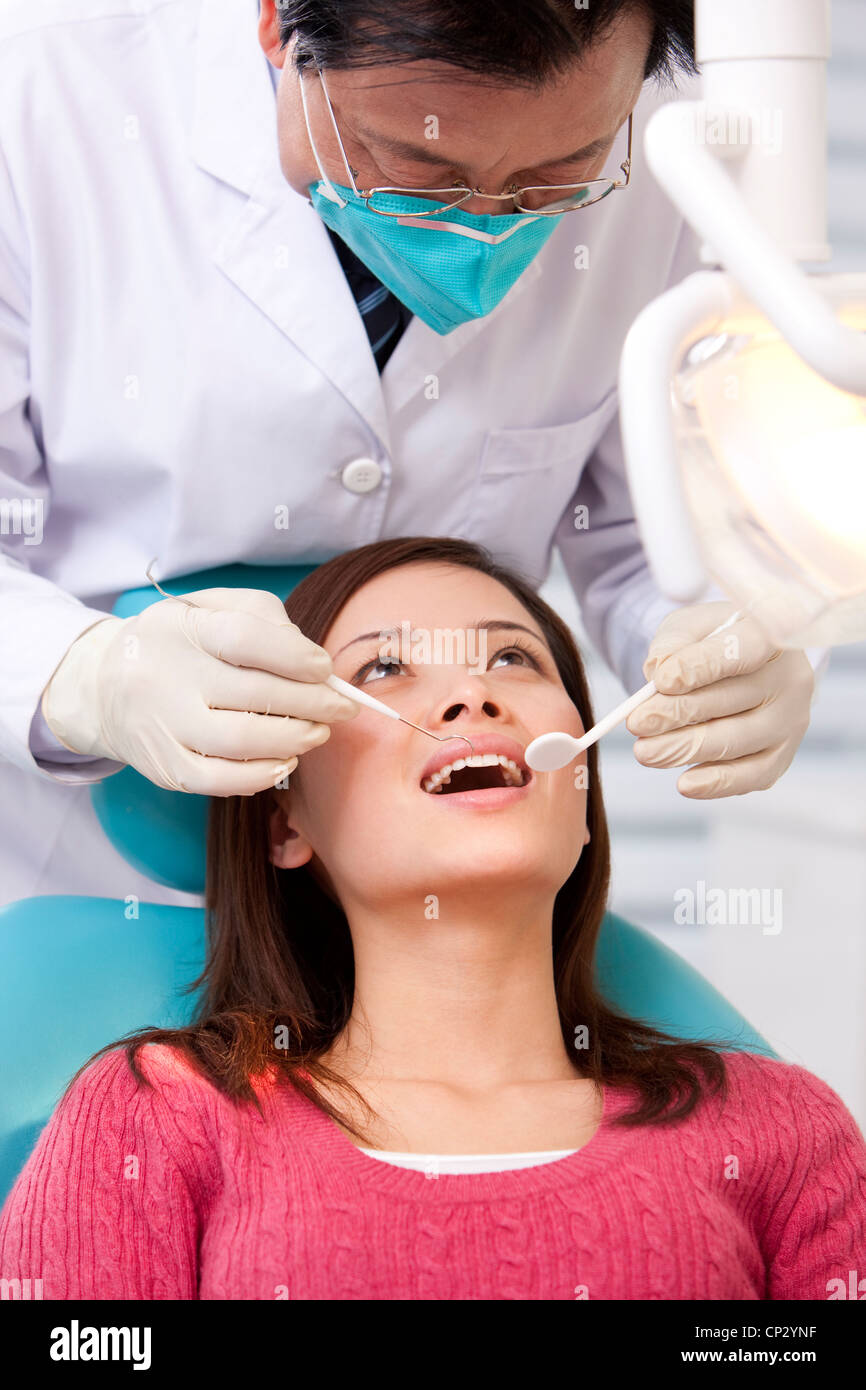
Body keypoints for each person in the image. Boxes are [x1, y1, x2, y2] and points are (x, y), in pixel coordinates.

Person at [0, 0, 817, 911]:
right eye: (416, 170)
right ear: (276, 22)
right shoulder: (38, 103)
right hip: (61, 870)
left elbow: (644, 529)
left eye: (556, 179)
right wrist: (84, 677)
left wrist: (725, 639)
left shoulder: (679, 137)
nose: (481, 230)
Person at [0, 537, 861, 1300]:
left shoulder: (782, 1129)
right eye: (384, 669)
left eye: (517, 660)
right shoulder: (153, 1120)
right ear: (286, 821)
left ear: (586, 790)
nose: (473, 698)